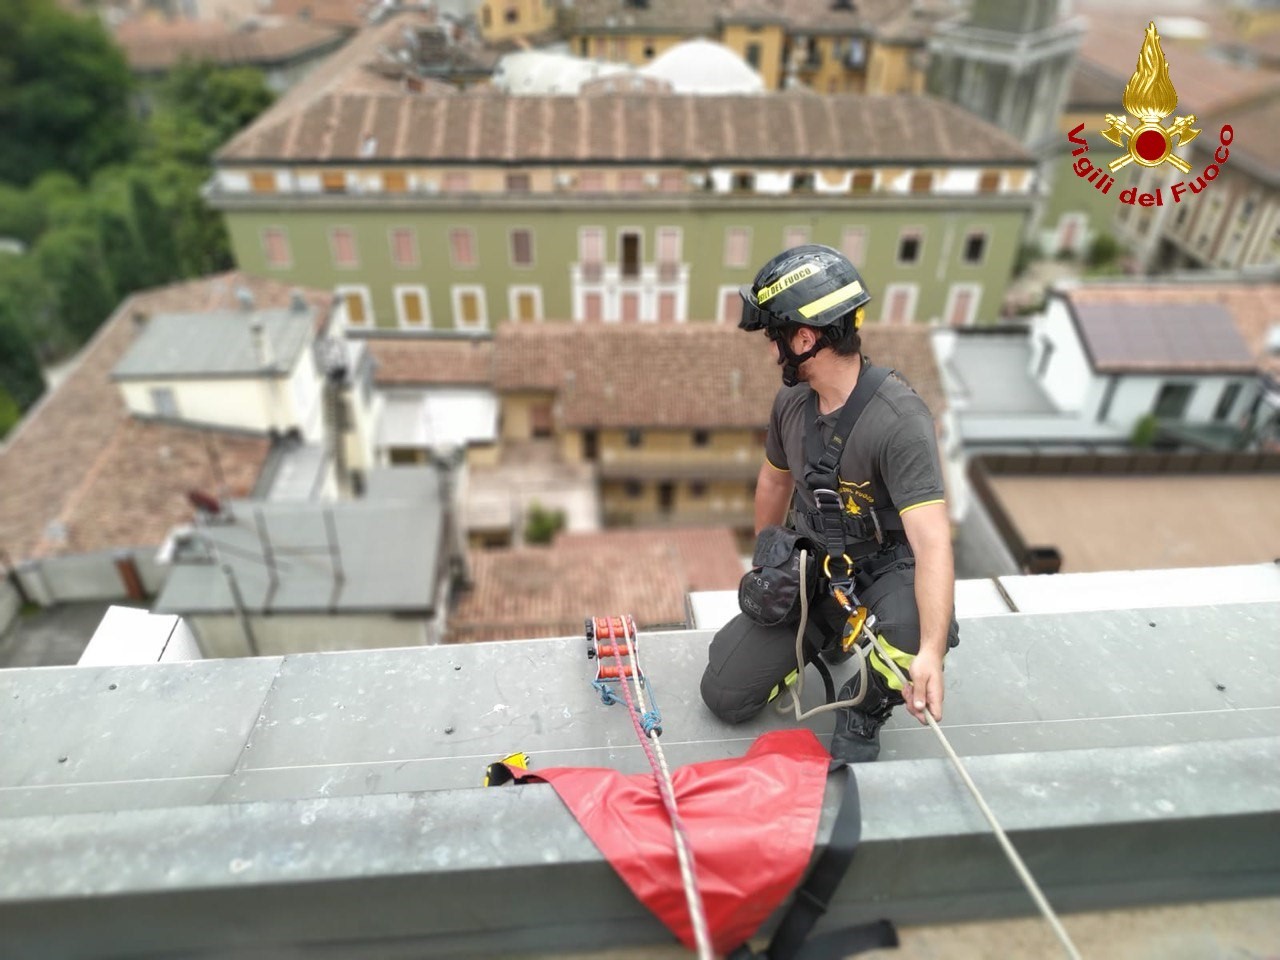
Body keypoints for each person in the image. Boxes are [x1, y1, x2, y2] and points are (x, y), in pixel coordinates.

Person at [700, 244, 959, 762]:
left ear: (804, 338)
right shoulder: (790, 404)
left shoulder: (900, 421)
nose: (772, 353)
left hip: (886, 567)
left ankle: (866, 706)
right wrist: (769, 564)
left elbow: (932, 541)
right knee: (725, 694)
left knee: (911, 637)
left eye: (774, 338)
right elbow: (774, 483)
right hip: (814, 561)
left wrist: (931, 652)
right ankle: (826, 633)